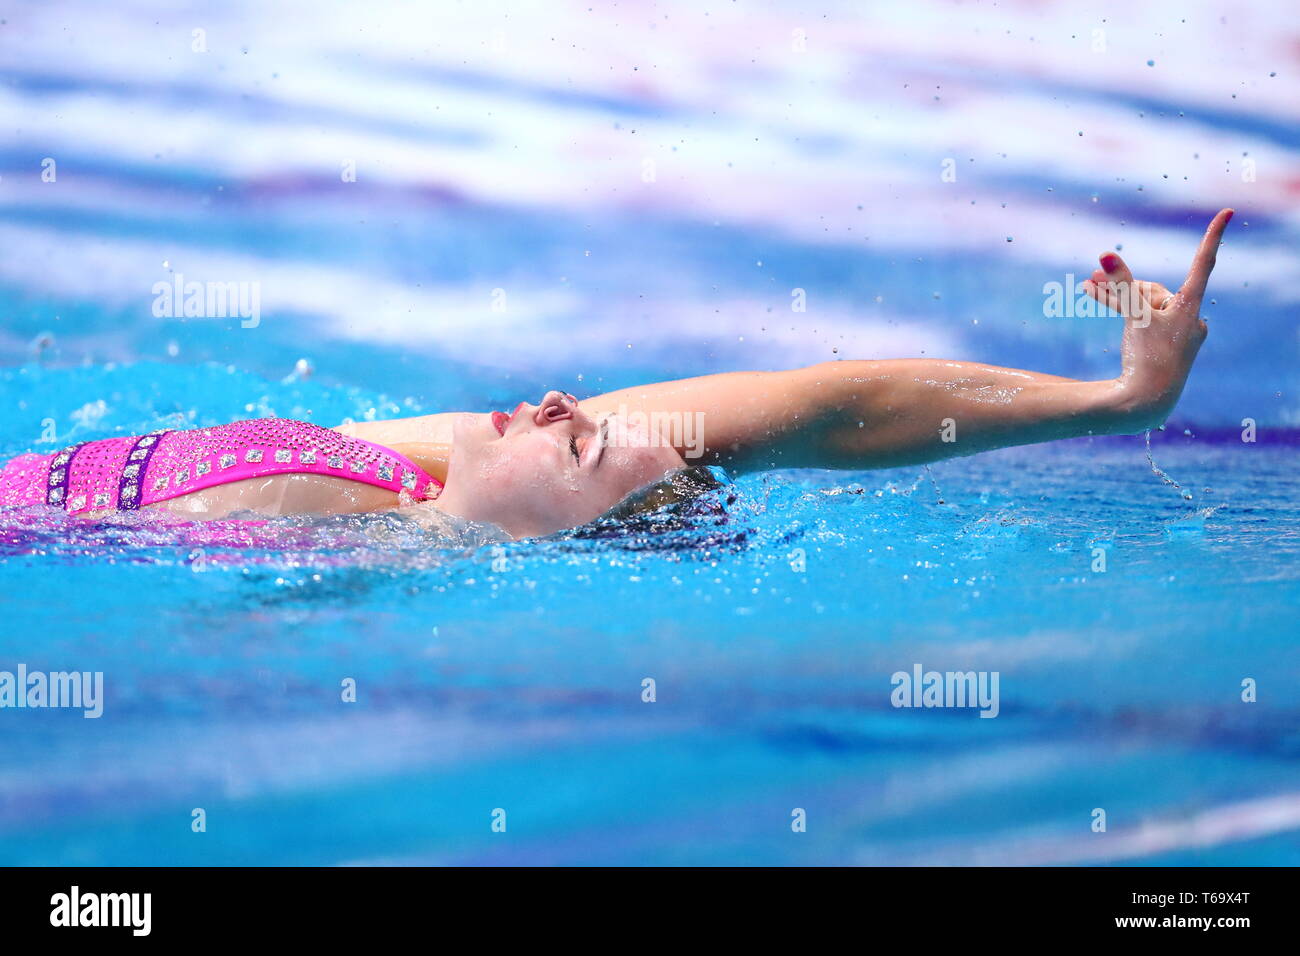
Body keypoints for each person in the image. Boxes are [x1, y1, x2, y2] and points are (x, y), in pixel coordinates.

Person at [0, 210, 1232, 540]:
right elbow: (828, 400)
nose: (556, 407)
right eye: (582, 419)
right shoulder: (429, 467)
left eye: (578, 445)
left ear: (545, 524)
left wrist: (463, 533)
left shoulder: (341, 528)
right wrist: (1114, 402)